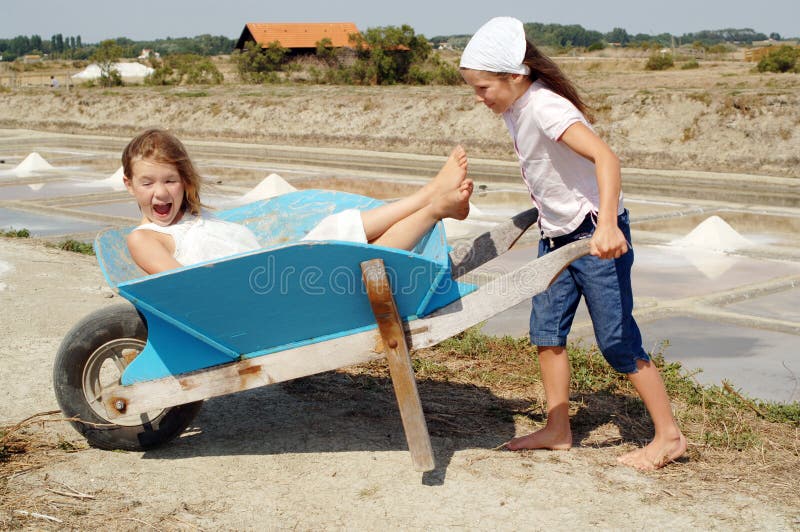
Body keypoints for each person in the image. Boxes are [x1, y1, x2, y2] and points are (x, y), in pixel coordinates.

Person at [459, 17, 686, 470]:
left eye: (484, 87)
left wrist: (607, 226)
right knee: (547, 333)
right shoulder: (515, 109)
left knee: (618, 340)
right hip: (557, 236)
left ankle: (670, 436)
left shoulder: (546, 108)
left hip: (594, 238)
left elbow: (606, 158)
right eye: (475, 89)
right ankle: (558, 429)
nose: (480, 97)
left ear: (515, 75)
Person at [122, 128, 473, 275]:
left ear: (184, 181)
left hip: (272, 271)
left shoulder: (189, 221)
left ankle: (430, 201)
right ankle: (431, 203)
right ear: (129, 184)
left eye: (170, 180)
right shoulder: (144, 237)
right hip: (265, 288)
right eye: (148, 182)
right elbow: (183, 284)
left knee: (338, 230)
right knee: (348, 252)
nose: (161, 193)